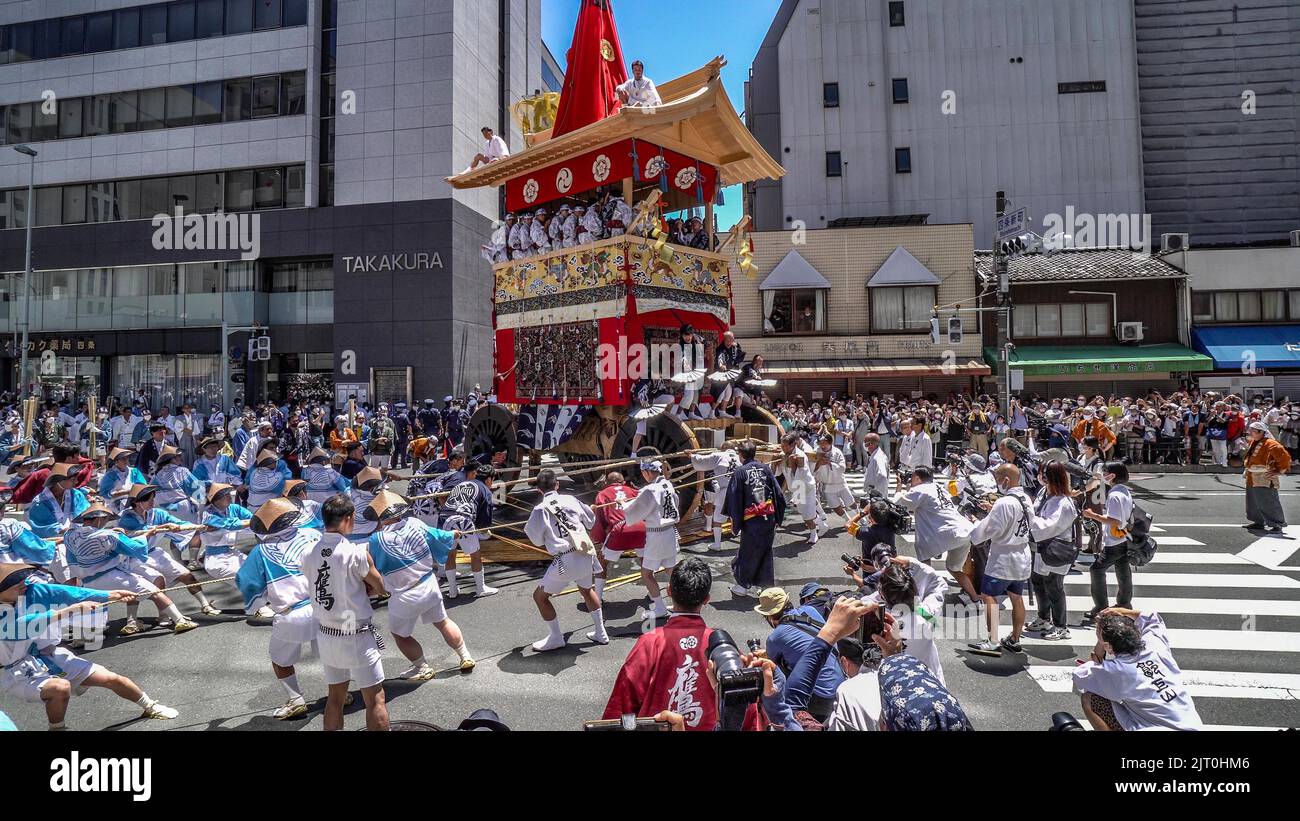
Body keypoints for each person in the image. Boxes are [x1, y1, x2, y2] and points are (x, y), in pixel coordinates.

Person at [0, 565, 179, 729]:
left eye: (21, 579)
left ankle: (149, 706)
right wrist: (67, 611)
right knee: (60, 688)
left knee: (112, 678)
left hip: (51, 656)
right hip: (18, 673)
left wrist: (112, 595)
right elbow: (17, 626)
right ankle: (57, 728)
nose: (22, 583)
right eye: (14, 583)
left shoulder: (30, 592)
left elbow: (67, 593)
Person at [364, 490, 475, 680]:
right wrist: (453, 534)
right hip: (429, 585)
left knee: (400, 635)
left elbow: (371, 567)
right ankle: (465, 655)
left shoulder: (376, 540)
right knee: (443, 622)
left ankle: (422, 666)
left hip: (403, 595)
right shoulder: (414, 524)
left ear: (381, 517)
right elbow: (440, 536)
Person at [304, 495, 390, 731]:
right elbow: (380, 586)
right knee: (375, 698)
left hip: (326, 633)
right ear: (348, 518)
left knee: (335, 698)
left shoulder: (308, 552)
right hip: (356, 633)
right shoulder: (356, 552)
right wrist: (370, 589)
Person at [601, 557, 716, 730]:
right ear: (706, 599)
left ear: (669, 591)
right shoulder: (720, 644)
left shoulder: (651, 642)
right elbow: (744, 705)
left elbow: (624, 701)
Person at [236, 497, 323, 720]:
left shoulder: (261, 551)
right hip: (324, 605)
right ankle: (339, 694)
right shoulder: (313, 535)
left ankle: (296, 700)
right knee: (330, 655)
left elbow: (245, 580)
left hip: (292, 613)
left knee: (280, 660)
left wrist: (260, 602)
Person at [62, 503, 198, 635]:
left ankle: (85, 636)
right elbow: (134, 548)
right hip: (111, 575)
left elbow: (72, 560)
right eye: (105, 519)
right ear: (98, 519)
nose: (105, 522)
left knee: (93, 605)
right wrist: (145, 535)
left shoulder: (70, 536)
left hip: (89, 582)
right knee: (154, 592)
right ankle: (179, 619)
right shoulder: (108, 536)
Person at [1072, 608, 1203, 731]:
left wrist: (1099, 648)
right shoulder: (1155, 647)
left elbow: (1081, 676)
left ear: (1108, 646)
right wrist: (1122, 611)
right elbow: (1151, 618)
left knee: (1089, 699)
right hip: (1192, 726)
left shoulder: (1117, 670)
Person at [523, 469, 608, 652]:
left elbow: (536, 540)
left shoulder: (539, 510)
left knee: (540, 597)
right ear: (558, 484)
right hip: (585, 553)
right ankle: (601, 632)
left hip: (565, 559)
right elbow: (591, 521)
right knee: (587, 590)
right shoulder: (571, 499)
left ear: (539, 489)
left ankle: (555, 637)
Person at [118, 484, 220, 618]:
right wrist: (166, 526)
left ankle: (205, 605)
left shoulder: (157, 513)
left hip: (155, 553)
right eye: (148, 500)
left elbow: (179, 523)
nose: (153, 502)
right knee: (149, 585)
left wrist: (202, 527)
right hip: (135, 558)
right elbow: (146, 530)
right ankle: (159, 616)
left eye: (153, 498)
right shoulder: (126, 518)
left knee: (187, 575)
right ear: (136, 502)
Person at [966, 463, 1034, 657]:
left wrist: (975, 524)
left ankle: (993, 639)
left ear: (1006, 480)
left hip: (1003, 557)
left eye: (998, 479)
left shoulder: (1003, 503)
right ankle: (1015, 638)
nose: (996, 483)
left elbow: (988, 530)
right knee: (1016, 596)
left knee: (989, 596)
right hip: (1022, 555)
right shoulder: (1025, 498)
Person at [754, 585, 844, 724]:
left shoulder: (775, 637)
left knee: (774, 679)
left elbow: (772, 668)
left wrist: (763, 656)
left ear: (769, 616)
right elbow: (803, 645)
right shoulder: (810, 610)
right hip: (840, 683)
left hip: (820, 698)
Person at [893, 465, 978, 604]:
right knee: (954, 568)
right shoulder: (938, 487)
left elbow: (898, 503)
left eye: (913, 477)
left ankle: (925, 600)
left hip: (945, 533)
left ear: (917, 478)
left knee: (925, 566)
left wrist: (899, 486)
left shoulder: (920, 489)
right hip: (963, 531)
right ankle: (975, 599)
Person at [619, 459, 681, 620]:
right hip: (669, 532)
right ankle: (679, 605)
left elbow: (636, 510)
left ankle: (660, 608)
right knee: (671, 570)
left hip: (657, 535)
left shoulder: (650, 490)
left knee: (646, 573)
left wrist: (623, 504)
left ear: (646, 472)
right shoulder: (668, 485)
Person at [724, 441, 785, 597]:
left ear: (741, 455)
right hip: (768, 517)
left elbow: (735, 498)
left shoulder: (740, 472)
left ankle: (743, 585)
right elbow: (778, 493)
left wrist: (735, 523)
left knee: (747, 551)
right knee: (765, 551)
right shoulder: (765, 469)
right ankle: (765, 586)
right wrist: (778, 516)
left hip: (751, 519)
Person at [1024, 461, 1078, 641]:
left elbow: (1049, 526)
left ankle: (1061, 626)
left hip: (1055, 549)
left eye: (1043, 474)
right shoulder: (1044, 492)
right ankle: (1044, 618)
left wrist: (1029, 517)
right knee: (1039, 582)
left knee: (1054, 587)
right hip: (1042, 548)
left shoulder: (1063, 502)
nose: (1040, 477)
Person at [1081, 461, 1134, 625]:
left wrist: (1092, 515)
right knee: (1123, 570)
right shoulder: (1124, 491)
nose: (1103, 475)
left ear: (1113, 475)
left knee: (1096, 569)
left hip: (1114, 541)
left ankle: (1101, 606)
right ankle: (1124, 603)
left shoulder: (1114, 495)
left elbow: (1114, 520)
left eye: (1106, 472)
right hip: (1125, 537)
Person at [436, 460, 499, 598]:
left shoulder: (463, 483)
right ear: (488, 479)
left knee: (450, 554)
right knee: (475, 554)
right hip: (462, 520)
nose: (492, 484)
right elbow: (484, 519)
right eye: (492, 480)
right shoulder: (485, 490)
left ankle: (452, 590)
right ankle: (481, 588)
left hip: (444, 517)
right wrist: (485, 530)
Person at [589, 470, 646, 600]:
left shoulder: (602, 494)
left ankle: (597, 598)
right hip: (641, 527)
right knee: (646, 562)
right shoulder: (633, 491)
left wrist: (600, 538)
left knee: (602, 563)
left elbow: (600, 519)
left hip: (619, 528)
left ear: (606, 483)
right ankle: (654, 596)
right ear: (623, 482)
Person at [690, 442, 741, 551]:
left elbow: (702, 461)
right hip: (739, 491)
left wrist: (691, 455)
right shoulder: (740, 457)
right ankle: (744, 541)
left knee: (717, 519)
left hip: (724, 491)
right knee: (738, 515)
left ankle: (717, 544)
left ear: (724, 448)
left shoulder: (719, 456)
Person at [1242, 420, 1291, 532]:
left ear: (1261, 432)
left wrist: (1280, 471)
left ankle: (1276, 524)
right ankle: (1258, 522)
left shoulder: (1271, 444)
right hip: (1252, 476)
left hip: (1265, 477)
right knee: (1253, 501)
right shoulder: (1253, 442)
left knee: (1268, 500)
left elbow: (1285, 457)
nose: (1250, 432)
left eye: (1253, 430)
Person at [779, 431, 827, 545]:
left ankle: (813, 533)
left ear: (792, 445)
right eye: (782, 445)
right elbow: (781, 471)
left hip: (804, 486)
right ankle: (822, 525)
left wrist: (792, 464)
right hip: (797, 488)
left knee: (807, 515)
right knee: (803, 511)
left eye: (784, 446)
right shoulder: (784, 454)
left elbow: (800, 476)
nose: (782, 448)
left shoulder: (800, 456)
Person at [813, 434, 856, 518]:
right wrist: (818, 464)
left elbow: (842, 468)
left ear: (830, 443)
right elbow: (811, 469)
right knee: (835, 506)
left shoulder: (837, 452)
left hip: (839, 482)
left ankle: (862, 520)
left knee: (850, 503)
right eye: (821, 443)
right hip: (827, 484)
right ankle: (848, 520)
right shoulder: (815, 452)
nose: (822, 445)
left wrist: (830, 463)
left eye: (825, 443)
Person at [861, 432, 890, 497]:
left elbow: (882, 476)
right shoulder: (875, 456)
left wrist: (876, 495)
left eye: (865, 441)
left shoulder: (878, 458)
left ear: (870, 444)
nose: (863, 443)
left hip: (876, 496)